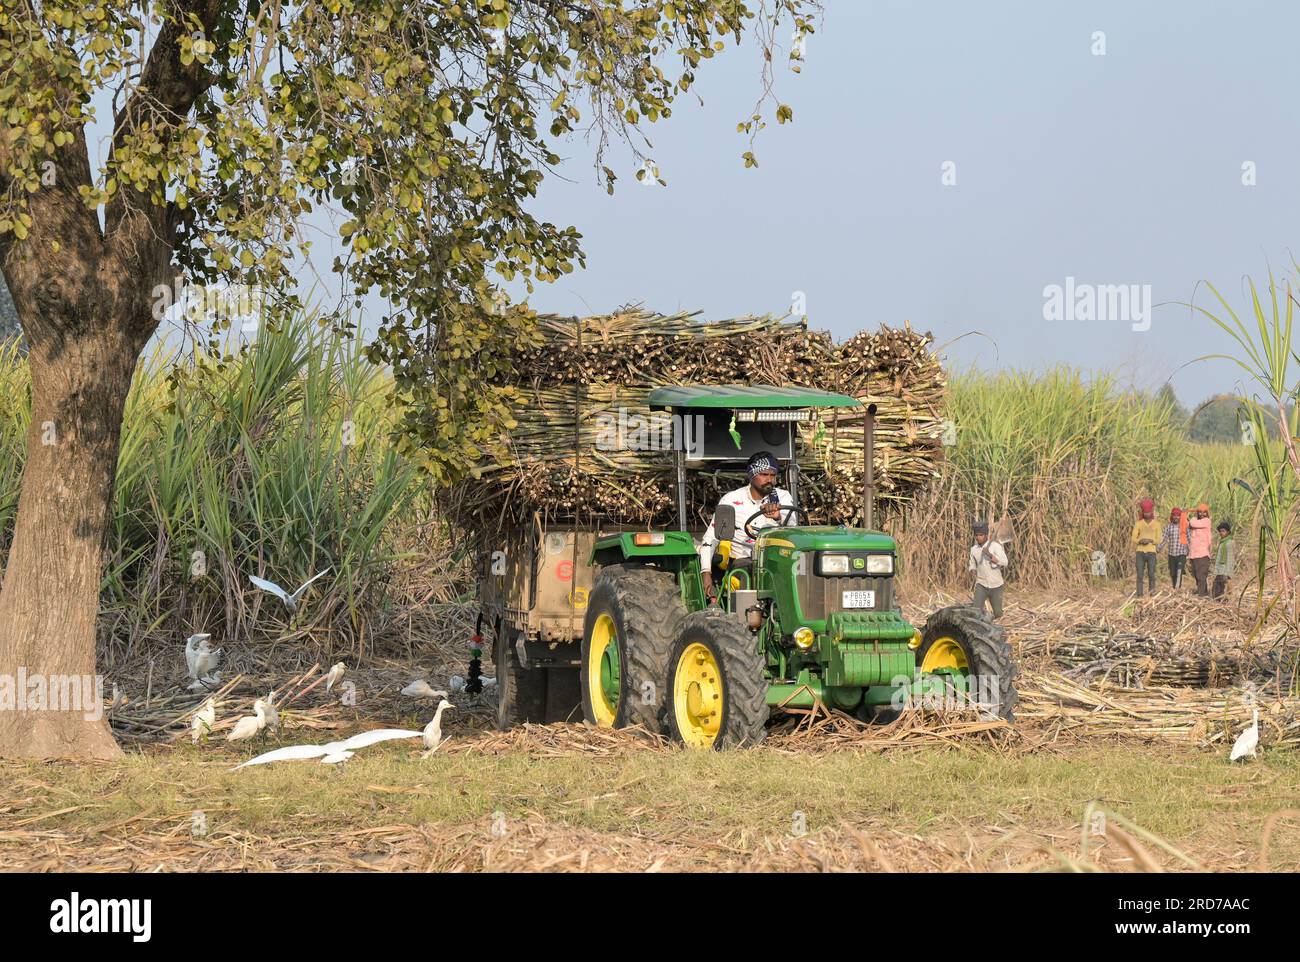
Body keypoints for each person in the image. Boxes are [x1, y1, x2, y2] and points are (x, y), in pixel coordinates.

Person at [698, 451, 795, 602]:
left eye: (772, 475)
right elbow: (710, 540)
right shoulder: (731, 500)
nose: (769, 479)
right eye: (764, 474)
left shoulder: (782, 497)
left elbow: (793, 528)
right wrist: (706, 573)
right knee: (750, 570)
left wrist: (778, 516)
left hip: (776, 559)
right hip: (743, 561)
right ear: (751, 475)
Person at [968, 521, 1008, 620]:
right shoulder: (974, 549)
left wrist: (990, 555)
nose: (978, 538)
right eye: (976, 535)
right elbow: (972, 564)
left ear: (986, 535)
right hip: (981, 584)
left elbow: (1005, 562)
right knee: (975, 612)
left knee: (998, 614)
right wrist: (972, 570)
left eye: (981, 535)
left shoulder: (995, 546)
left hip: (996, 585)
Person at [1131, 498, 1160, 597]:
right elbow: (1133, 538)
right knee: (1140, 574)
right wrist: (1140, 541)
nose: (1147, 514)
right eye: (1145, 512)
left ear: (1151, 512)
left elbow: (1159, 539)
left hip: (1152, 552)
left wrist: (1151, 541)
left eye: (1148, 512)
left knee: (1151, 573)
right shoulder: (1139, 524)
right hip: (1140, 552)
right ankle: (1139, 595)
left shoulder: (1156, 524)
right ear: (1142, 512)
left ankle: (1152, 593)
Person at [1186, 502, 1213, 596]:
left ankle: (1202, 595)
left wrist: (1193, 514)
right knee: (1197, 576)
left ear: (1207, 513)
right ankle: (1204, 593)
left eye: (1204, 512)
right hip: (1194, 554)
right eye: (1200, 512)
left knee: (1201, 576)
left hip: (1202, 554)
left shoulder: (1206, 521)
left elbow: (1192, 522)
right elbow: (1188, 525)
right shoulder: (1196, 523)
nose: (1202, 514)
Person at [1158, 507, 1189, 588]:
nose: (1176, 517)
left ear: (1180, 517)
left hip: (1182, 553)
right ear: (1172, 516)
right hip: (1172, 554)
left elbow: (1189, 538)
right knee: (1173, 573)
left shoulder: (1185, 527)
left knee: (1179, 571)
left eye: (1178, 515)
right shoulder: (1168, 527)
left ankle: (1177, 588)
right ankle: (1174, 586)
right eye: (1174, 515)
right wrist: (1158, 548)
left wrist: (1191, 550)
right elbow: (1163, 538)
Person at [1212, 521, 1235, 600]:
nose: (1221, 533)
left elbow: (1231, 557)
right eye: (1220, 531)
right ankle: (1219, 597)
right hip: (1221, 566)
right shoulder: (1222, 542)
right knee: (1220, 582)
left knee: (1228, 581)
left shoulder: (1230, 542)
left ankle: (1230, 597)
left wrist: (1228, 570)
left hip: (1227, 566)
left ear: (1228, 532)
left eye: (1223, 531)